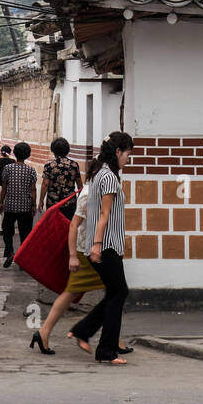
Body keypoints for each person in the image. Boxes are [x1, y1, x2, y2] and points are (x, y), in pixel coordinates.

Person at [31, 178, 130, 356]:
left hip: (96, 250)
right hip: (88, 251)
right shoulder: (88, 193)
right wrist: (73, 256)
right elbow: (74, 226)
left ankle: (46, 332)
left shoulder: (97, 188)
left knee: (110, 292)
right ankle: (46, 332)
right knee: (106, 292)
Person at [68, 131, 134, 364]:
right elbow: (104, 214)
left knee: (116, 293)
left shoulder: (99, 173)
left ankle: (84, 331)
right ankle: (106, 350)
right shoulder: (108, 178)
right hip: (105, 245)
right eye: (127, 153)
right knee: (119, 292)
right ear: (118, 152)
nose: (128, 158)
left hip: (104, 245)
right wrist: (97, 245)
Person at [0, 142, 37, 268]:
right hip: (25, 206)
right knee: (25, 233)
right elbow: (33, 190)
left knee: (7, 229)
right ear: (28, 155)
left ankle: (10, 251)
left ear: (14, 154)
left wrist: (1, 202)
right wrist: (33, 205)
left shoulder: (8, 168)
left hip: (10, 206)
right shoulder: (31, 170)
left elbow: (4, 187)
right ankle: (23, 260)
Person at [39, 137, 81, 219]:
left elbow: (45, 184)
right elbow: (80, 185)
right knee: (67, 227)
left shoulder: (49, 165)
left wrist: (41, 201)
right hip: (69, 203)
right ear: (67, 150)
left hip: (53, 203)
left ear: (53, 150)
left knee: (53, 227)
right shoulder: (74, 165)